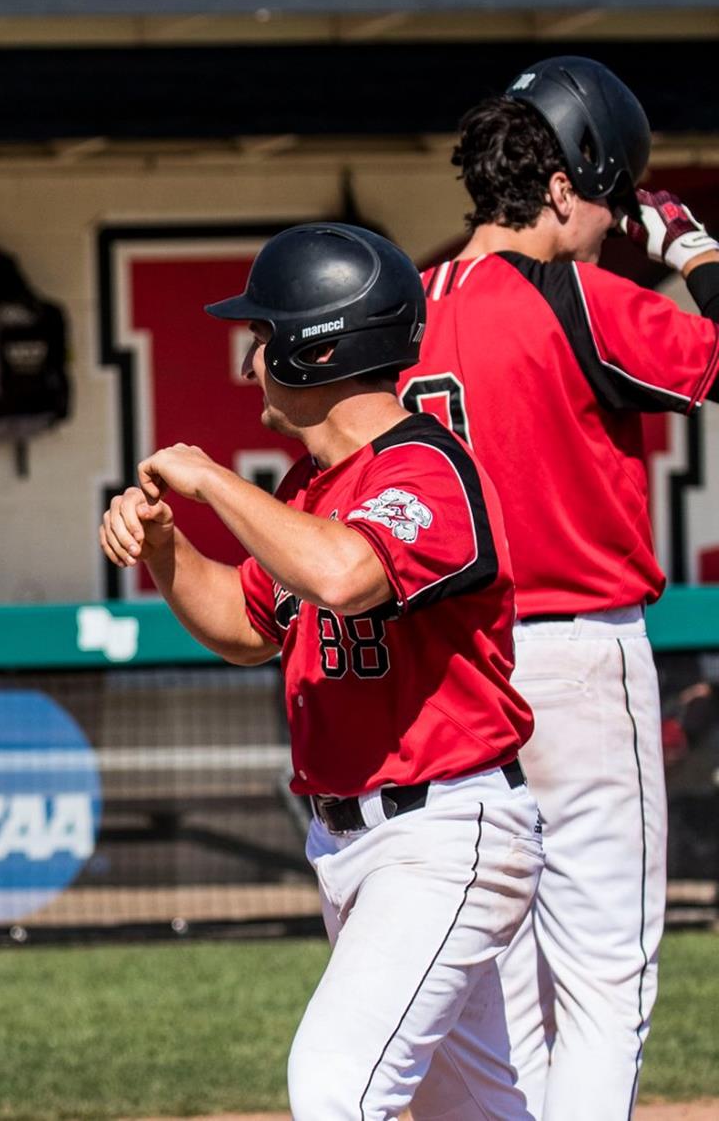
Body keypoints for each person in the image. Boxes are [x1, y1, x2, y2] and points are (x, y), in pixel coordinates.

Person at [102, 223, 544, 1118]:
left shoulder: (427, 467)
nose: (249, 363)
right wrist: (165, 547)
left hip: (443, 830)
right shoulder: (313, 488)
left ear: (319, 348)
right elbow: (245, 627)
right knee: (476, 1110)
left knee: (336, 1083)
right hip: (353, 841)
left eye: (264, 338)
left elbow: (347, 575)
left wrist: (217, 484)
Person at [397, 55, 719, 1116]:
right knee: (600, 975)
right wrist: (694, 252)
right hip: (581, 657)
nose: (608, 222)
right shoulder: (578, 296)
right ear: (562, 182)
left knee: (500, 988)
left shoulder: (403, 302)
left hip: (452, 669)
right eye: (607, 198)